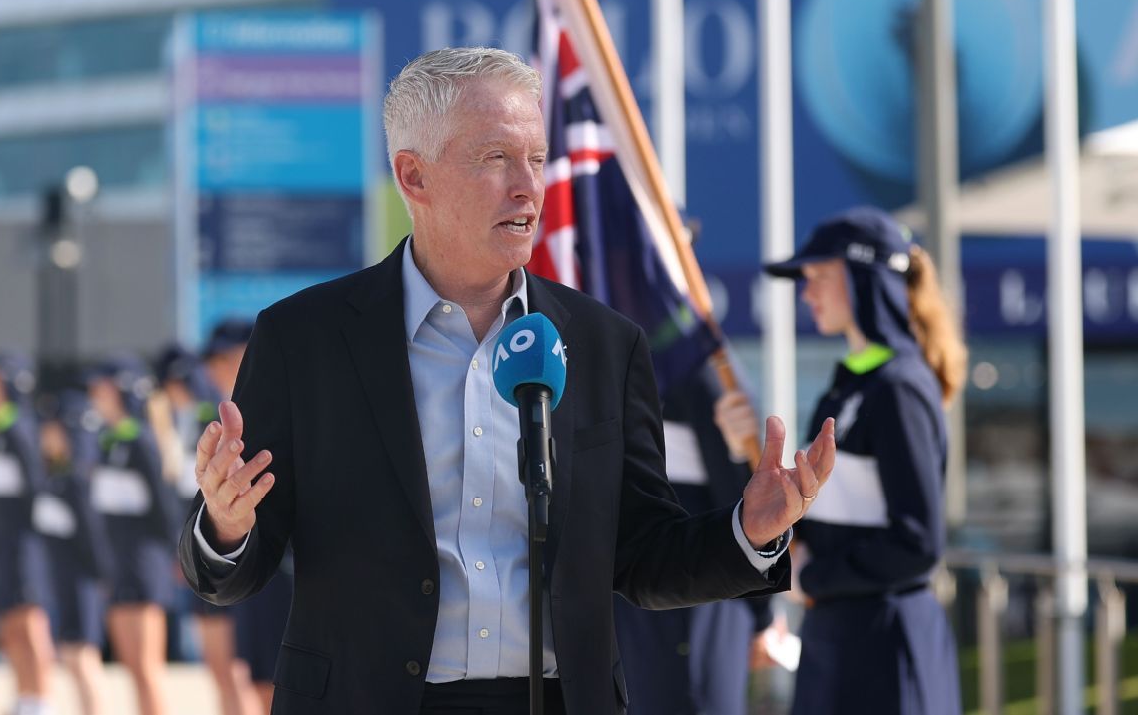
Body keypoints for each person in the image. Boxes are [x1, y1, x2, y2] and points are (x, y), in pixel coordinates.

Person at [178, 47, 836, 715]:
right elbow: (237, 572)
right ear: (413, 176)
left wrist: (748, 532)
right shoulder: (303, 340)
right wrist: (226, 525)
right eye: (495, 158)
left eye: (537, 159)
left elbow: (640, 555)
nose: (528, 187)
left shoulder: (606, 345)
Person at [714, 207, 966, 715]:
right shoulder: (850, 385)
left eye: (819, 277)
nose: (807, 294)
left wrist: (812, 577)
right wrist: (743, 451)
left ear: (863, 278)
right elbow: (822, 521)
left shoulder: (899, 388)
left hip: (886, 649)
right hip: (838, 639)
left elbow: (919, 544)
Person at [612, 358, 779, 715]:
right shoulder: (685, 367)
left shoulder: (699, 370)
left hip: (697, 597)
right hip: (651, 598)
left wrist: (763, 615)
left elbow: (742, 500)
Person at [156, 342, 262, 715]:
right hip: (205, 547)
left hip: (228, 553)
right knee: (220, 669)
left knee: (234, 670)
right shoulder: (190, 417)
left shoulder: (212, 413)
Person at [201, 319, 295, 715]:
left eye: (228, 358)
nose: (219, 369)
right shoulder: (207, 417)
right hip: (226, 555)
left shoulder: (283, 408)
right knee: (243, 674)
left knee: (275, 682)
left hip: (280, 565)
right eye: (216, 361)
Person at [86, 355, 181, 715]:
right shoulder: (108, 441)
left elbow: (165, 509)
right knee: (132, 668)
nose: (95, 395)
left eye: (102, 388)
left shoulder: (142, 441)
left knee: (145, 669)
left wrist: (176, 557)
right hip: (117, 566)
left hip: (143, 566)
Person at [0, 353, 56, 715]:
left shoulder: (19, 427)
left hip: (25, 544)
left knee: (29, 621)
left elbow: (36, 487)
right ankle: (25, 697)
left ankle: (41, 699)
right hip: (1, 545)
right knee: (10, 622)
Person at [35, 390, 113, 715]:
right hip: (64, 579)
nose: (44, 435)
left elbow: (93, 536)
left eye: (50, 428)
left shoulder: (79, 478)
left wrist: (103, 576)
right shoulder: (57, 476)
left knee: (83, 657)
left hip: (83, 581)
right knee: (71, 656)